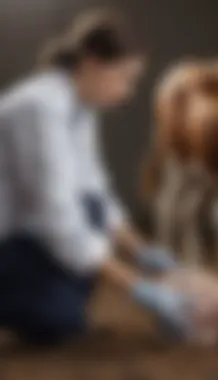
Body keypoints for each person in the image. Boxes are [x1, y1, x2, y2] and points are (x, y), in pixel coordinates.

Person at [0, 9, 194, 345]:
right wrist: (139, 288)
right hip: (10, 240)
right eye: (124, 77)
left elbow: (95, 190)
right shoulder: (38, 108)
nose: (128, 91)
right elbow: (57, 219)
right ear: (90, 64)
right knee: (58, 319)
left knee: (90, 209)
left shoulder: (79, 106)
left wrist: (141, 250)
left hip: (27, 237)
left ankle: (44, 303)